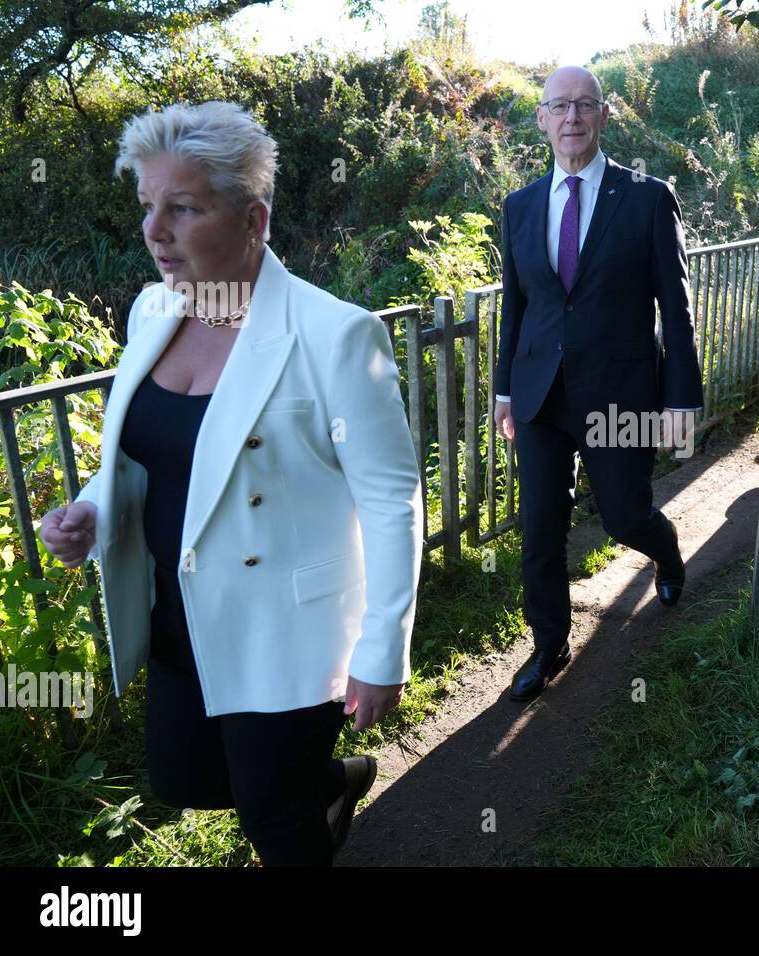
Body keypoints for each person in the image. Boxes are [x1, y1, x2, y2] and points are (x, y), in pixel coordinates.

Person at [39, 101, 424, 866]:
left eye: (183, 208)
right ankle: (331, 780)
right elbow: (150, 453)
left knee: (274, 822)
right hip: (180, 616)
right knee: (190, 778)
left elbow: (391, 498)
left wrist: (384, 649)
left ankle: (302, 794)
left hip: (289, 627)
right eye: (150, 207)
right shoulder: (153, 309)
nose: (155, 231)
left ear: (255, 220)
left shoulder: (336, 334)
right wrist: (90, 505)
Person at [492, 66, 704, 703]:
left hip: (618, 395)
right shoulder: (521, 205)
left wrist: (680, 399)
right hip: (540, 398)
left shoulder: (645, 196)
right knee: (539, 529)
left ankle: (666, 554)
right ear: (542, 119)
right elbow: (517, 305)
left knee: (624, 516)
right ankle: (549, 645)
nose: (572, 117)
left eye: (585, 105)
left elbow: (677, 307)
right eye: (560, 106)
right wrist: (505, 390)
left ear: (604, 116)